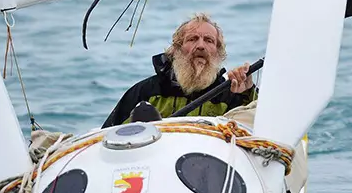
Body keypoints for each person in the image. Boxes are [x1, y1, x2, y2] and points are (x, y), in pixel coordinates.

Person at [102, 13, 256, 128]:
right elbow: (108, 136)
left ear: (218, 52)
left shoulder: (232, 96)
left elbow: (259, 137)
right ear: (176, 49)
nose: (201, 46)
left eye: (209, 40)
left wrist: (248, 93)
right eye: (192, 39)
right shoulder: (146, 93)